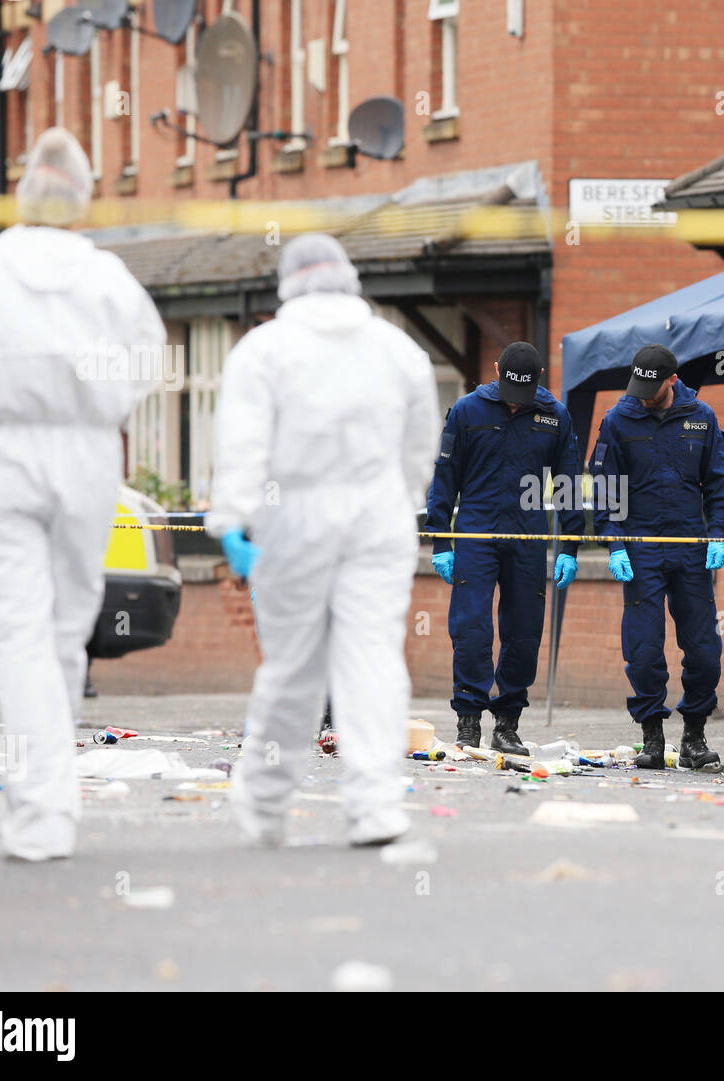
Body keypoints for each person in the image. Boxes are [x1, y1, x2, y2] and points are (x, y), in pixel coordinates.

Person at [0, 128, 165, 861]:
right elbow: (150, 361)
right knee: (63, 627)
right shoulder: (111, 280)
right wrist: (99, 411)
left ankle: (42, 808)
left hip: (2, 451)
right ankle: (51, 797)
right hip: (87, 454)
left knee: (13, 629)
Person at [206, 233, 440, 846]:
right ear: (348, 277)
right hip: (377, 513)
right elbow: (421, 446)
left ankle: (263, 805)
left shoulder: (264, 350)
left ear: (287, 281)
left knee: (292, 668)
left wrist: (230, 520)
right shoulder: (398, 349)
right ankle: (375, 807)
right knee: (372, 658)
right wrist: (400, 498)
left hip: (293, 512)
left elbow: (243, 442)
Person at [424, 342, 583, 753]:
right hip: (476, 531)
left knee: (525, 630)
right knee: (471, 626)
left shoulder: (554, 416)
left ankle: (508, 723)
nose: (515, 405)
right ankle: (469, 720)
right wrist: (441, 538)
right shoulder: (466, 412)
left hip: (528, 534)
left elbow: (567, 484)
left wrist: (570, 544)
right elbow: (445, 477)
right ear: (495, 371)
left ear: (539, 380)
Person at [589, 344, 724, 769]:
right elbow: (605, 490)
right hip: (641, 549)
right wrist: (614, 543)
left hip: (691, 548)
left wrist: (718, 533)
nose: (643, 395)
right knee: (644, 648)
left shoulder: (702, 418)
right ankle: (651, 736)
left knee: (705, 649)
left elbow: (719, 480)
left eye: (651, 388)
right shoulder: (618, 420)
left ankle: (694, 736)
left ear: (672, 380)